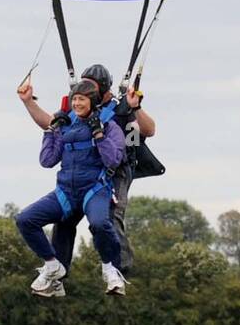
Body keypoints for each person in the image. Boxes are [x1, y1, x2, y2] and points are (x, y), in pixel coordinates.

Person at [17, 63, 156, 276]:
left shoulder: (119, 109)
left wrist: (134, 107)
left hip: (115, 169)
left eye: (91, 87)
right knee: (64, 219)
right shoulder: (77, 107)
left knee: (108, 217)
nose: (84, 92)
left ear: (103, 90)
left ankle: (119, 269)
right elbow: (53, 126)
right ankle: (59, 272)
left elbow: (148, 130)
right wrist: (28, 103)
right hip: (85, 171)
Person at [15, 79, 128, 297]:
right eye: (74, 99)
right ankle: (52, 264)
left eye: (81, 99)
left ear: (92, 102)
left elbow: (113, 160)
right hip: (65, 191)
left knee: (100, 224)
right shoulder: (66, 124)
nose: (77, 103)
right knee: (25, 219)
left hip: (94, 189)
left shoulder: (109, 126)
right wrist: (51, 131)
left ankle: (111, 270)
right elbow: (47, 160)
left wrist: (99, 135)